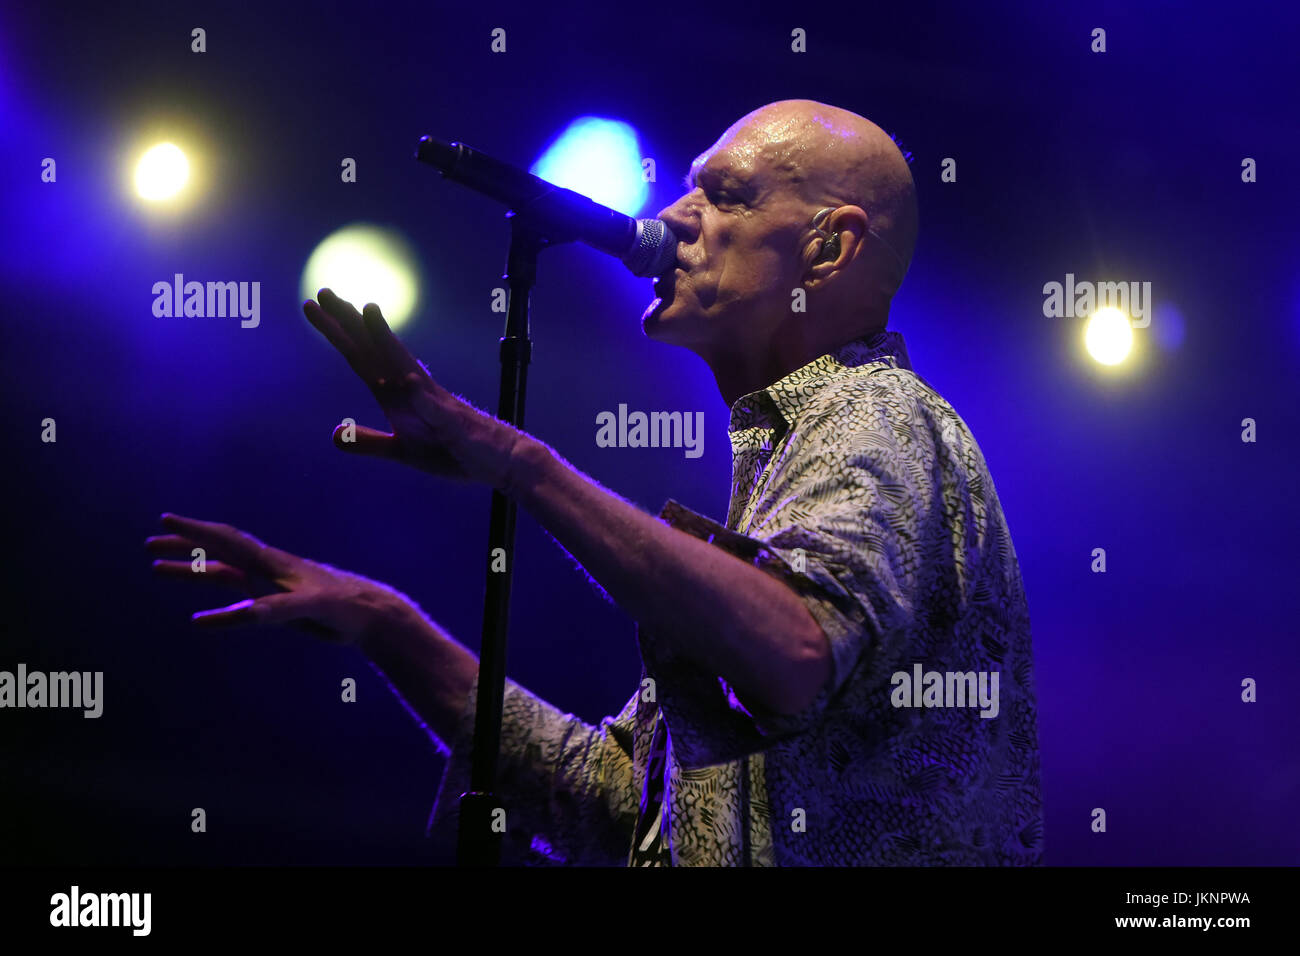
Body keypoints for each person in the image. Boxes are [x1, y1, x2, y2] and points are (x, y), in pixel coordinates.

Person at [148, 99, 1043, 866]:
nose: (675, 216)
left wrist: (517, 461)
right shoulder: (781, 468)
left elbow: (797, 654)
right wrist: (385, 624)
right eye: (689, 187)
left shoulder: (878, 412)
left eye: (725, 194)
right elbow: (616, 800)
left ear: (827, 250)